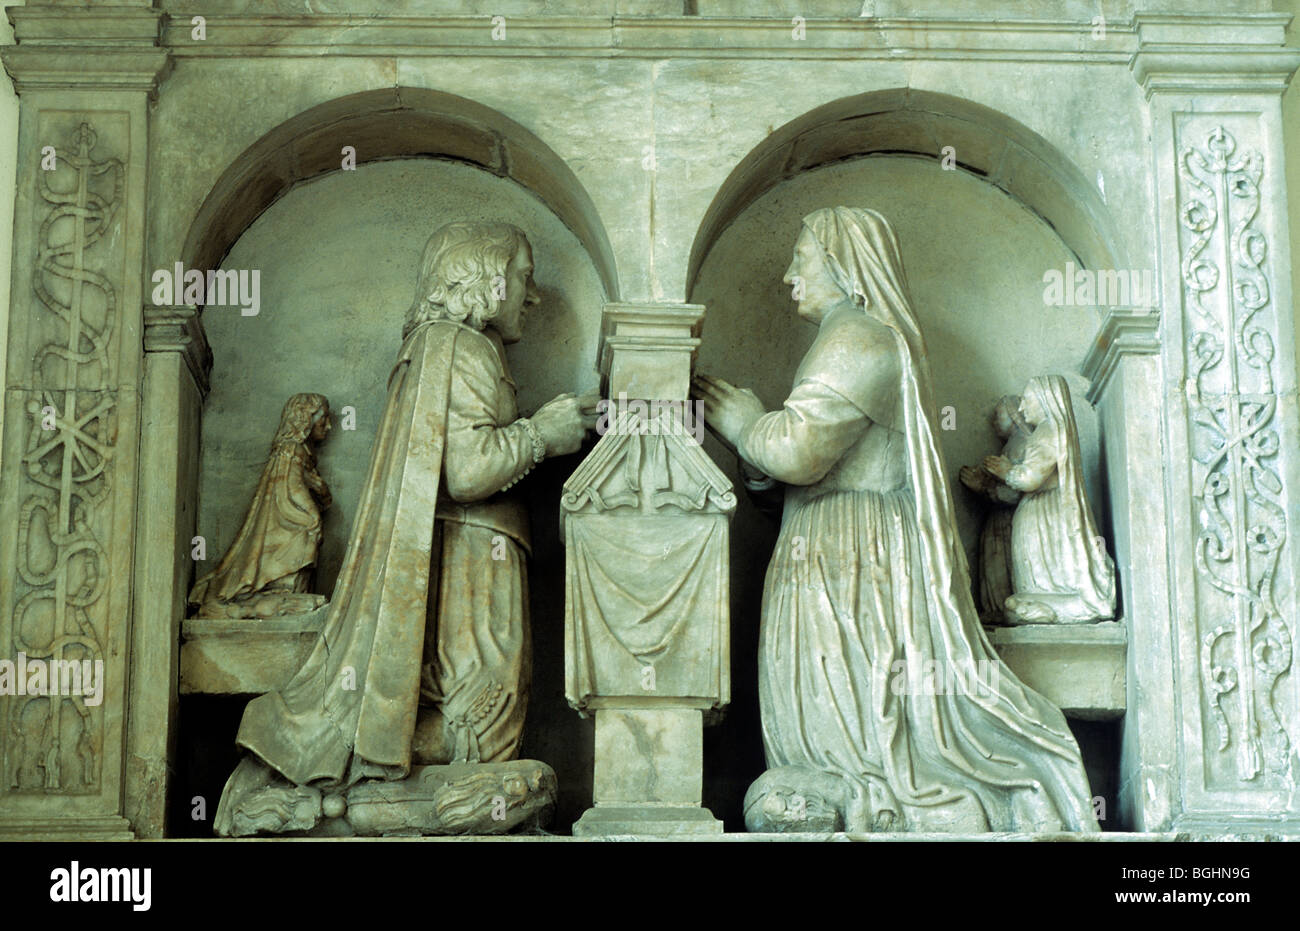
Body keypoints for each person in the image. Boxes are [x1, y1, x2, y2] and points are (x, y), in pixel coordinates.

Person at [694, 206, 1098, 833]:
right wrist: (756, 461)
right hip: (826, 540)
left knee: (856, 700)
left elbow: (799, 452)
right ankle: (839, 791)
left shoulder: (859, 338)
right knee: (826, 700)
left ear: (844, 265)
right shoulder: (848, 337)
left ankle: (879, 797)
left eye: (801, 259)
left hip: (855, 550)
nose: (788, 275)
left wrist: (747, 425)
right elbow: (799, 477)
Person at [215, 221, 594, 834]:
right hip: (468, 555)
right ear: (484, 275)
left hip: (468, 548)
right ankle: (335, 781)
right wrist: (540, 435)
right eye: (524, 276)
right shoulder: (462, 345)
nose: (532, 295)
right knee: (489, 730)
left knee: (485, 726)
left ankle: (338, 785)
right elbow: (467, 472)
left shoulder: (442, 345)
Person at [983, 375, 1116, 623]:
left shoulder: (1047, 431)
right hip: (1041, 510)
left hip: (1045, 513)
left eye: (1028, 400)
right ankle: (1043, 604)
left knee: (1047, 575)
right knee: (1036, 581)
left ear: (1045, 400)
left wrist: (1007, 471)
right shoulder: (1049, 430)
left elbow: (1031, 478)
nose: (1022, 408)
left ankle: (1052, 606)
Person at [189, 392, 332, 618]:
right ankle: (276, 588)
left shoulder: (297, 451)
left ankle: (284, 590)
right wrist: (312, 515)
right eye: (323, 419)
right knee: (308, 528)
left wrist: (319, 490)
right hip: (285, 514)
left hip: (283, 514)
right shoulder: (291, 449)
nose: (329, 426)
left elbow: (301, 480)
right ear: (306, 419)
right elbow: (291, 486)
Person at [959, 396, 1030, 623]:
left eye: (999, 415)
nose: (994, 422)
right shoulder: (1011, 446)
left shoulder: (1023, 444)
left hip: (1013, 518)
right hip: (999, 516)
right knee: (994, 559)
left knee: (1004, 560)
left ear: (1014, 415)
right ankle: (997, 607)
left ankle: (1004, 607)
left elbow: (1019, 490)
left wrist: (985, 486)